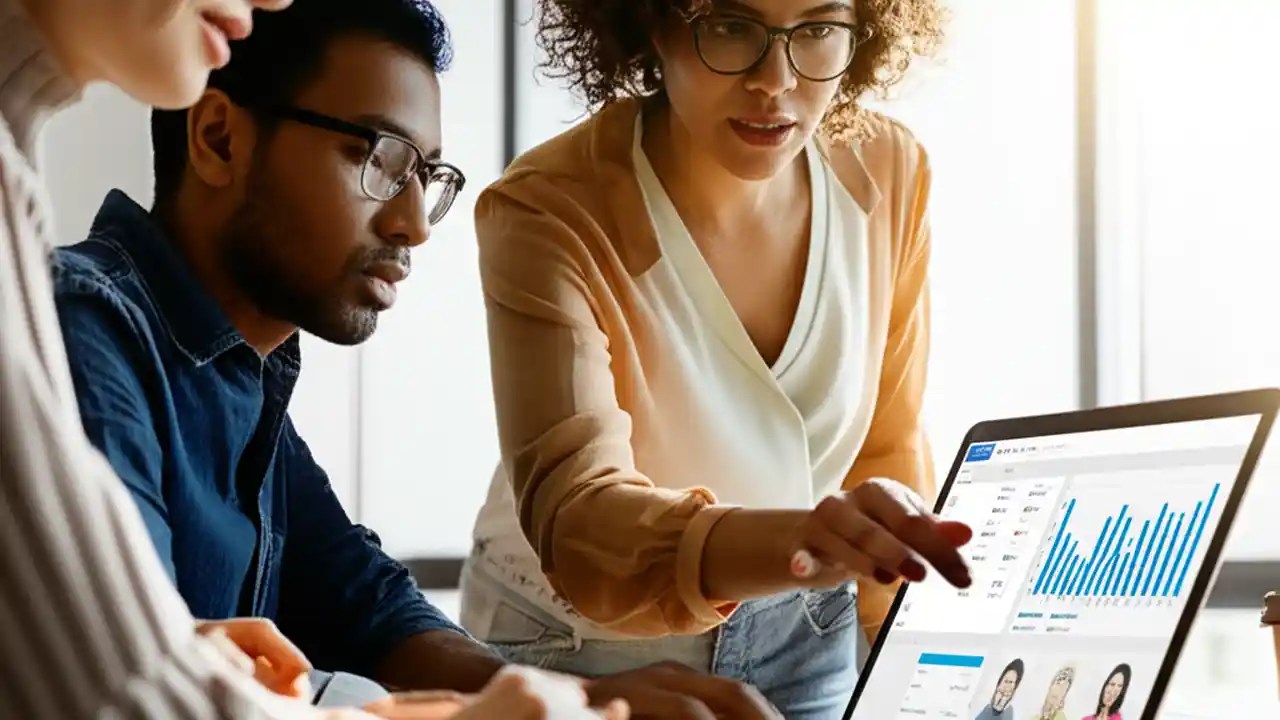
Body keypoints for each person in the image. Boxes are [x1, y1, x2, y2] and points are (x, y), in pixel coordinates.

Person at [48, 1, 775, 718]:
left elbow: (362, 600)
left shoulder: (243, 371)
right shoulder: (85, 335)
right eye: (378, 159)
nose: (414, 225)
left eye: (428, 176)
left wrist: (576, 698)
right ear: (218, 139)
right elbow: (132, 684)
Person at [459, 0, 970, 716]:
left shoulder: (886, 171)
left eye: (818, 30)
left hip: (807, 628)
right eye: (730, 26)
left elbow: (888, 445)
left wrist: (918, 670)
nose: (775, 80)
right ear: (651, 23)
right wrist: (801, 539)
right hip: (582, 645)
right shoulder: (551, 210)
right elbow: (580, 522)